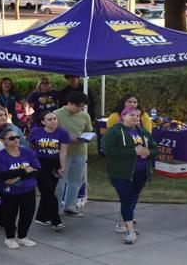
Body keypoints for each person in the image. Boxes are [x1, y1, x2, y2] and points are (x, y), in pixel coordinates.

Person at [101, 107, 150, 245]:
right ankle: (130, 231)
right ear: (123, 116)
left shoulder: (142, 131)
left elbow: (154, 147)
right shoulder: (114, 131)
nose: (135, 117)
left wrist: (148, 152)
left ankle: (123, 225)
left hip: (141, 171)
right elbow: (107, 150)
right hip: (121, 173)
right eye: (132, 115)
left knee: (134, 197)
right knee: (127, 199)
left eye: (138, 115)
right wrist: (132, 151)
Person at [0, 126, 41, 249]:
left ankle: (22, 236)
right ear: (4, 141)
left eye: (17, 137)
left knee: (28, 214)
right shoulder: (0, 156)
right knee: (10, 215)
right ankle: (9, 237)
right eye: (12, 138)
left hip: (28, 189)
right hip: (9, 192)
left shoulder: (27, 152)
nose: (16, 140)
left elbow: (36, 169)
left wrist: (18, 177)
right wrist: (25, 170)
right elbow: (4, 175)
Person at [27, 110, 71, 231]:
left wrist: (62, 166)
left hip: (54, 165)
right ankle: (55, 220)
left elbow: (63, 151)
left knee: (49, 191)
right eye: (49, 119)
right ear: (43, 122)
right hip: (39, 164)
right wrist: (29, 163)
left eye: (55, 119)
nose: (53, 121)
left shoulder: (63, 132)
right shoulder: (36, 132)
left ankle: (41, 217)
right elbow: (29, 148)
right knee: (48, 192)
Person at [57, 91, 93, 216]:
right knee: (60, 183)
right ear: (70, 103)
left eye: (82, 107)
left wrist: (86, 137)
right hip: (62, 153)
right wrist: (68, 138)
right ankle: (54, 210)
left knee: (76, 181)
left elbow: (89, 131)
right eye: (78, 106)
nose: (80, 109)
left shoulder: (85, 116)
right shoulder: (56, 115)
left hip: (80, 151)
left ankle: (70, 207)